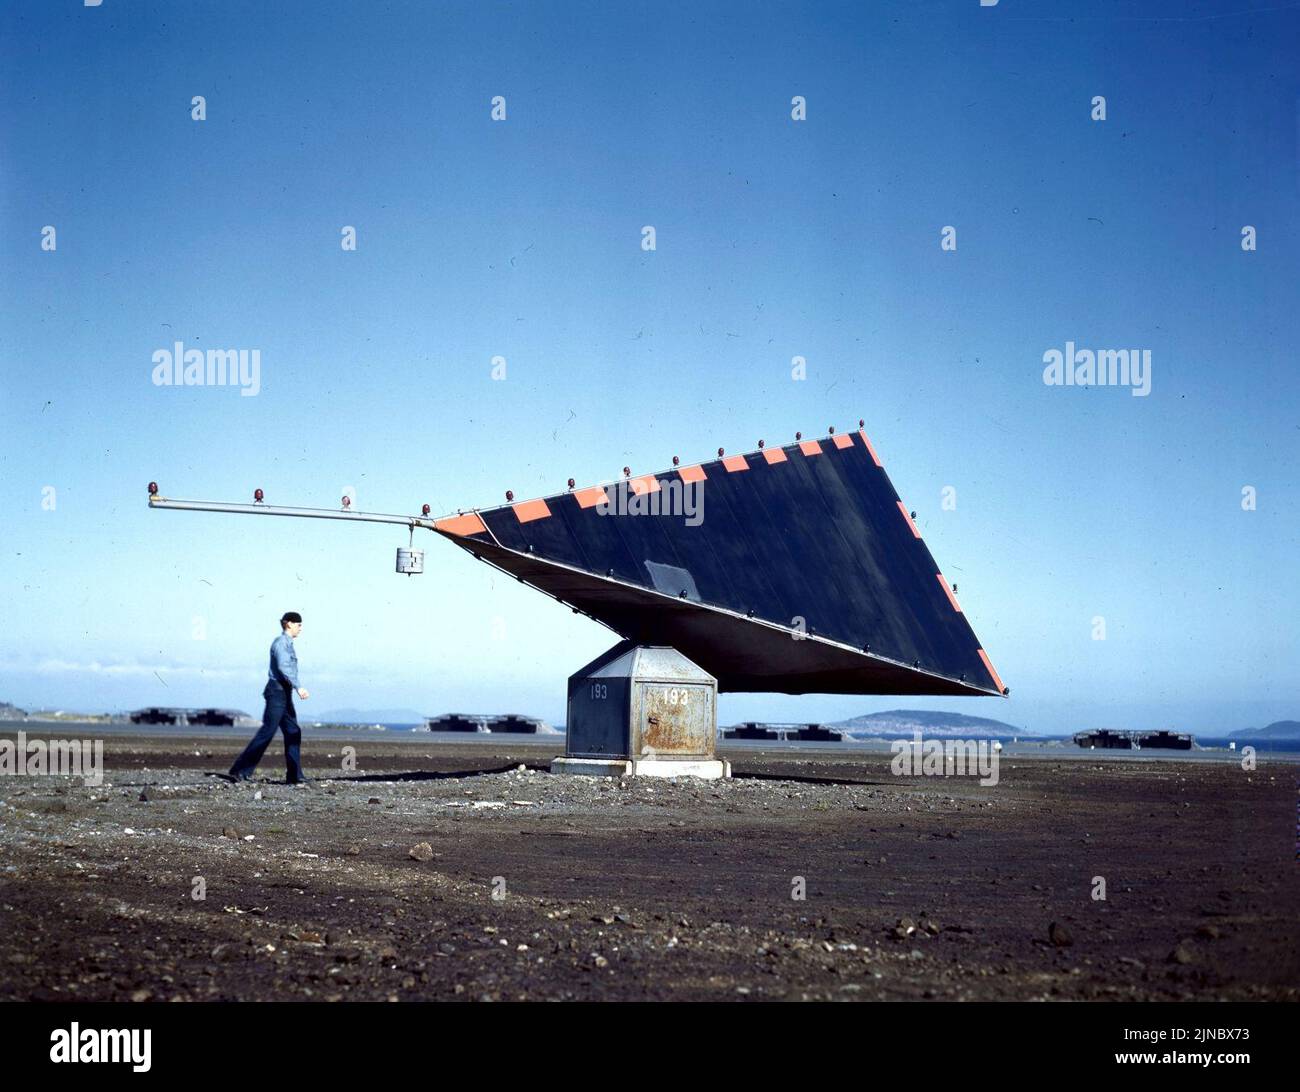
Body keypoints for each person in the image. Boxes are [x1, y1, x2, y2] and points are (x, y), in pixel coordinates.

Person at [228, 612, 311, 785]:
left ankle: (295, 775)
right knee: (267, 732)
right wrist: (299, 687)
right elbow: (283, 667)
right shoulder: (281, 643)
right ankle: (239, 770)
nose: (300, 628)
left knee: (293, 732)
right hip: (277, 692)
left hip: (284, 693)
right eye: (298, 624)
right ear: (289, 624)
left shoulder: (287, 643)